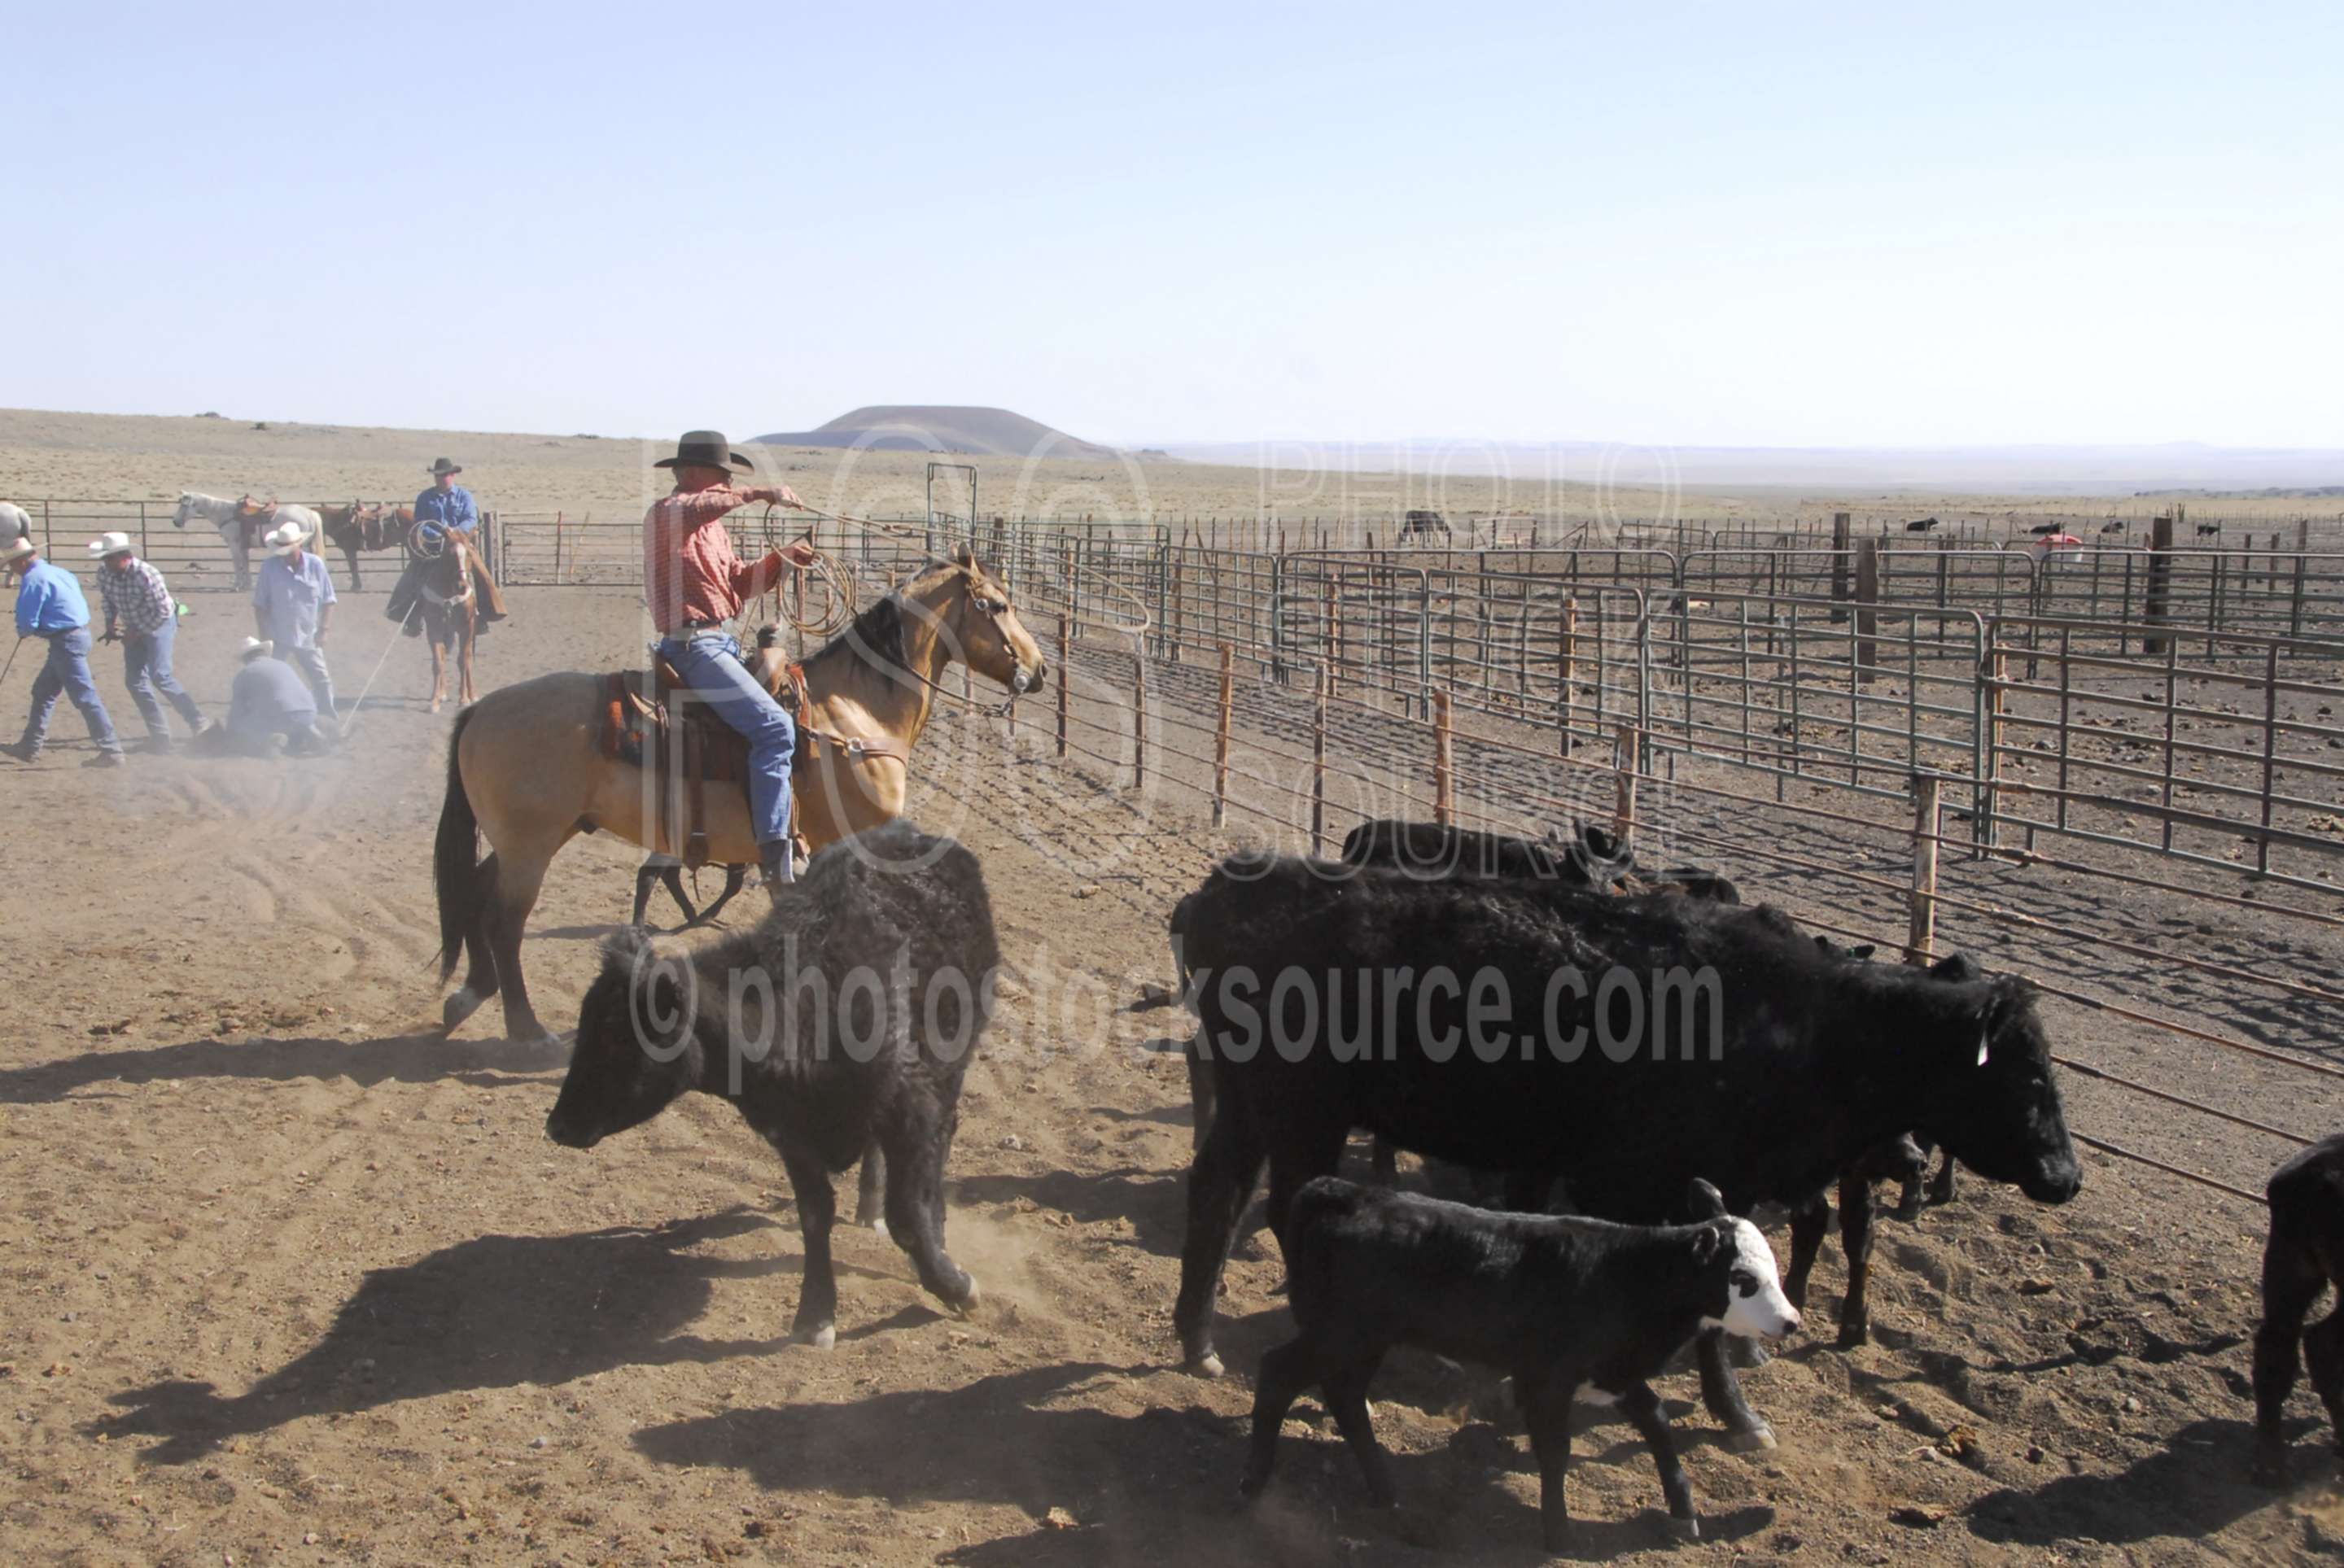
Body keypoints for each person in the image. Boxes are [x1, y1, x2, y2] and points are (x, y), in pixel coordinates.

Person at [642, 430, 809, 890]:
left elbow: (740, 584)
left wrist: (783, 559)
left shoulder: (711, 530)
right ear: (695, 475)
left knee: (793, 703)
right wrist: (760, 493)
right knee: (776, 729)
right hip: (695, 648)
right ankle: (775, 856)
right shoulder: (667, 514)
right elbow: (698, 507)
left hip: (721, 642)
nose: (727, 486)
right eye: (723, 478)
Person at [3, 535, 125, 767]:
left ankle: (112, 750)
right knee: (43, 691)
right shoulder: (60, 572)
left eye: (11, 564)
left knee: (85, 697)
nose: (12, 569)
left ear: (20, 562)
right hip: (77, 635)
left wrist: (24, 630)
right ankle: (30, 745)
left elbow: (28, 621)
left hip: (65, 642)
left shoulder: (33, 579)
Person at [88, 532, 210, 752]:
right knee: (134, 681)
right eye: (104, 559)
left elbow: (163, 611)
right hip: (134, 624)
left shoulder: (146, 574)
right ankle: (160, 735)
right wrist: (110, 624)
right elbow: (108, 599)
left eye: (108, 558)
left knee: (160, 675)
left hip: (159, 623)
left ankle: (199, 722)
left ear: (123, 556)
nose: (105, 563)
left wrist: (139, 633)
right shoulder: (105, 573)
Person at [403, 457, 508, 626]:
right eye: (439, 475)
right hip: (434, 545)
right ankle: (408, 616)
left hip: (461, 544)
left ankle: (488, 611)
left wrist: (455, 533)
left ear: (453, 475)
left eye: (446, 474)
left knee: (482, 573)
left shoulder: (464, 496)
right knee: (412, 573)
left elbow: (471, 519)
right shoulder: (425, 497)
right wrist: (438, 534)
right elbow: (420, 523)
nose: (442, 478)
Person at [252, 517, 337, 721]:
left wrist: (324, 629)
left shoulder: (315, 565)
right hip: (277, 634)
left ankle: (327, 715)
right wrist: (264, 636)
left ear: (299, 546)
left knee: (321, 678)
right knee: (270, 678)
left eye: (288, 551)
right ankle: (268, 718)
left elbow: (328, 599)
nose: (285, 556)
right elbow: (259, 604)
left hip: (309, 634)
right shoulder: (269, 567)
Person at [198, 637, 327, 756]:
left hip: (281, 717)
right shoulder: (284, 665)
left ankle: (270, 738)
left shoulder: (245, 673)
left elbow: (237, 711)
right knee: (294, 716)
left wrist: (232, 732)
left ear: (245, 658)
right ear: (263, 652)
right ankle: (311, 730)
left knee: (245, 726)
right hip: (309, 712)